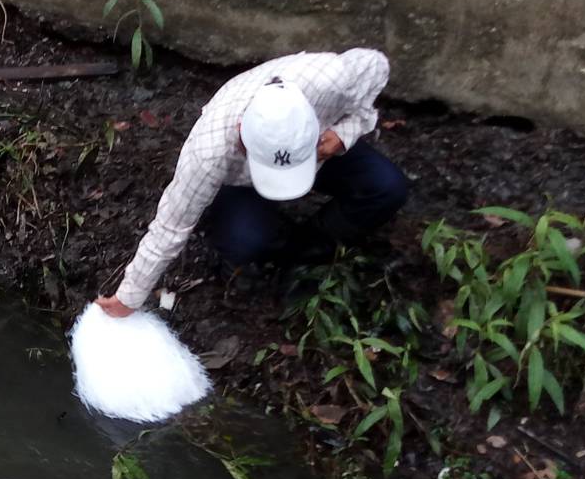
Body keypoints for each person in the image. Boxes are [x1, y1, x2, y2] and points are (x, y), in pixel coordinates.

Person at [97, 48, 408, 317]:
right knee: (244, 240)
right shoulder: (210, 153)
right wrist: (129, 297)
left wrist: (345, 133)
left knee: (386, 187)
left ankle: (308, 254)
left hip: (317, 151)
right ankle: (273, 243)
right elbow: (170, 226)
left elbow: (377, 67)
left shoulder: (330, 77)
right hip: (242, 182)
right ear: (243, 138)